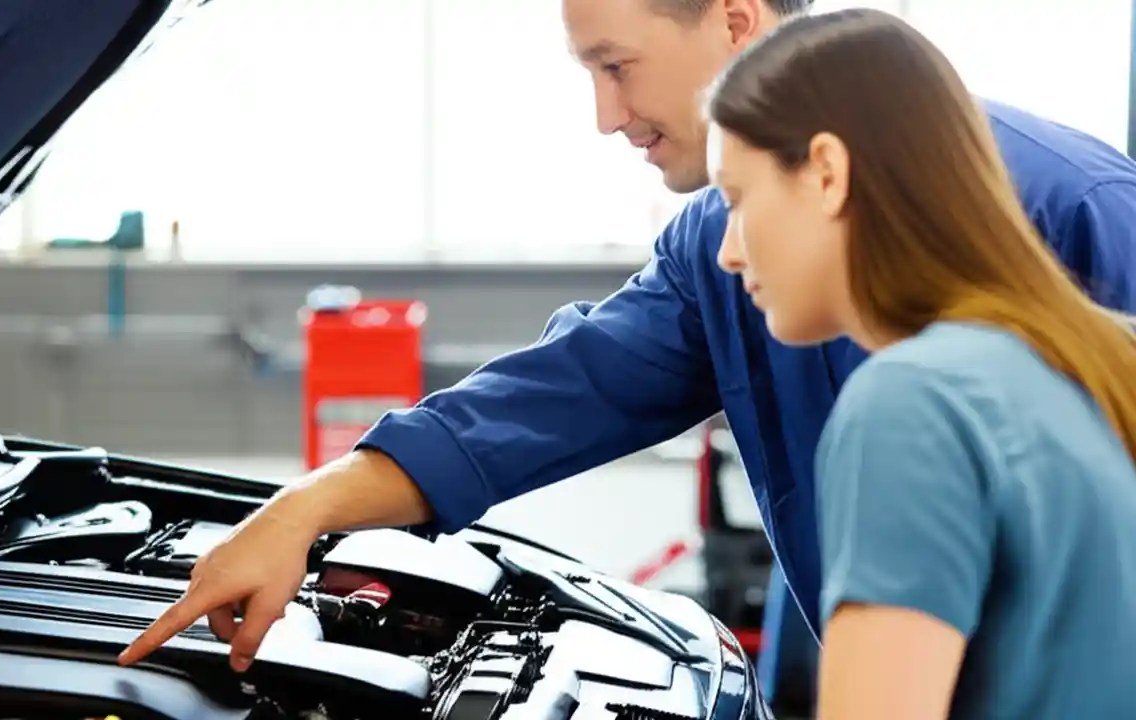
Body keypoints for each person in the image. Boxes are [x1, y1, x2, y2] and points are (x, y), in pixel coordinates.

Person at [118, 0, 1136, 674]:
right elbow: (557, 394)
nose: (605, 116)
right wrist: (304, 509)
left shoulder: (1083, 212)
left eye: (615, 65)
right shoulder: (716, 246)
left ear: (735, 23)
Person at [705, 9, 1136, 718]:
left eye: (737, 199)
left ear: (825, 173)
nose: (727, 251)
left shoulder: (912, 404)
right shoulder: (1101, 358)